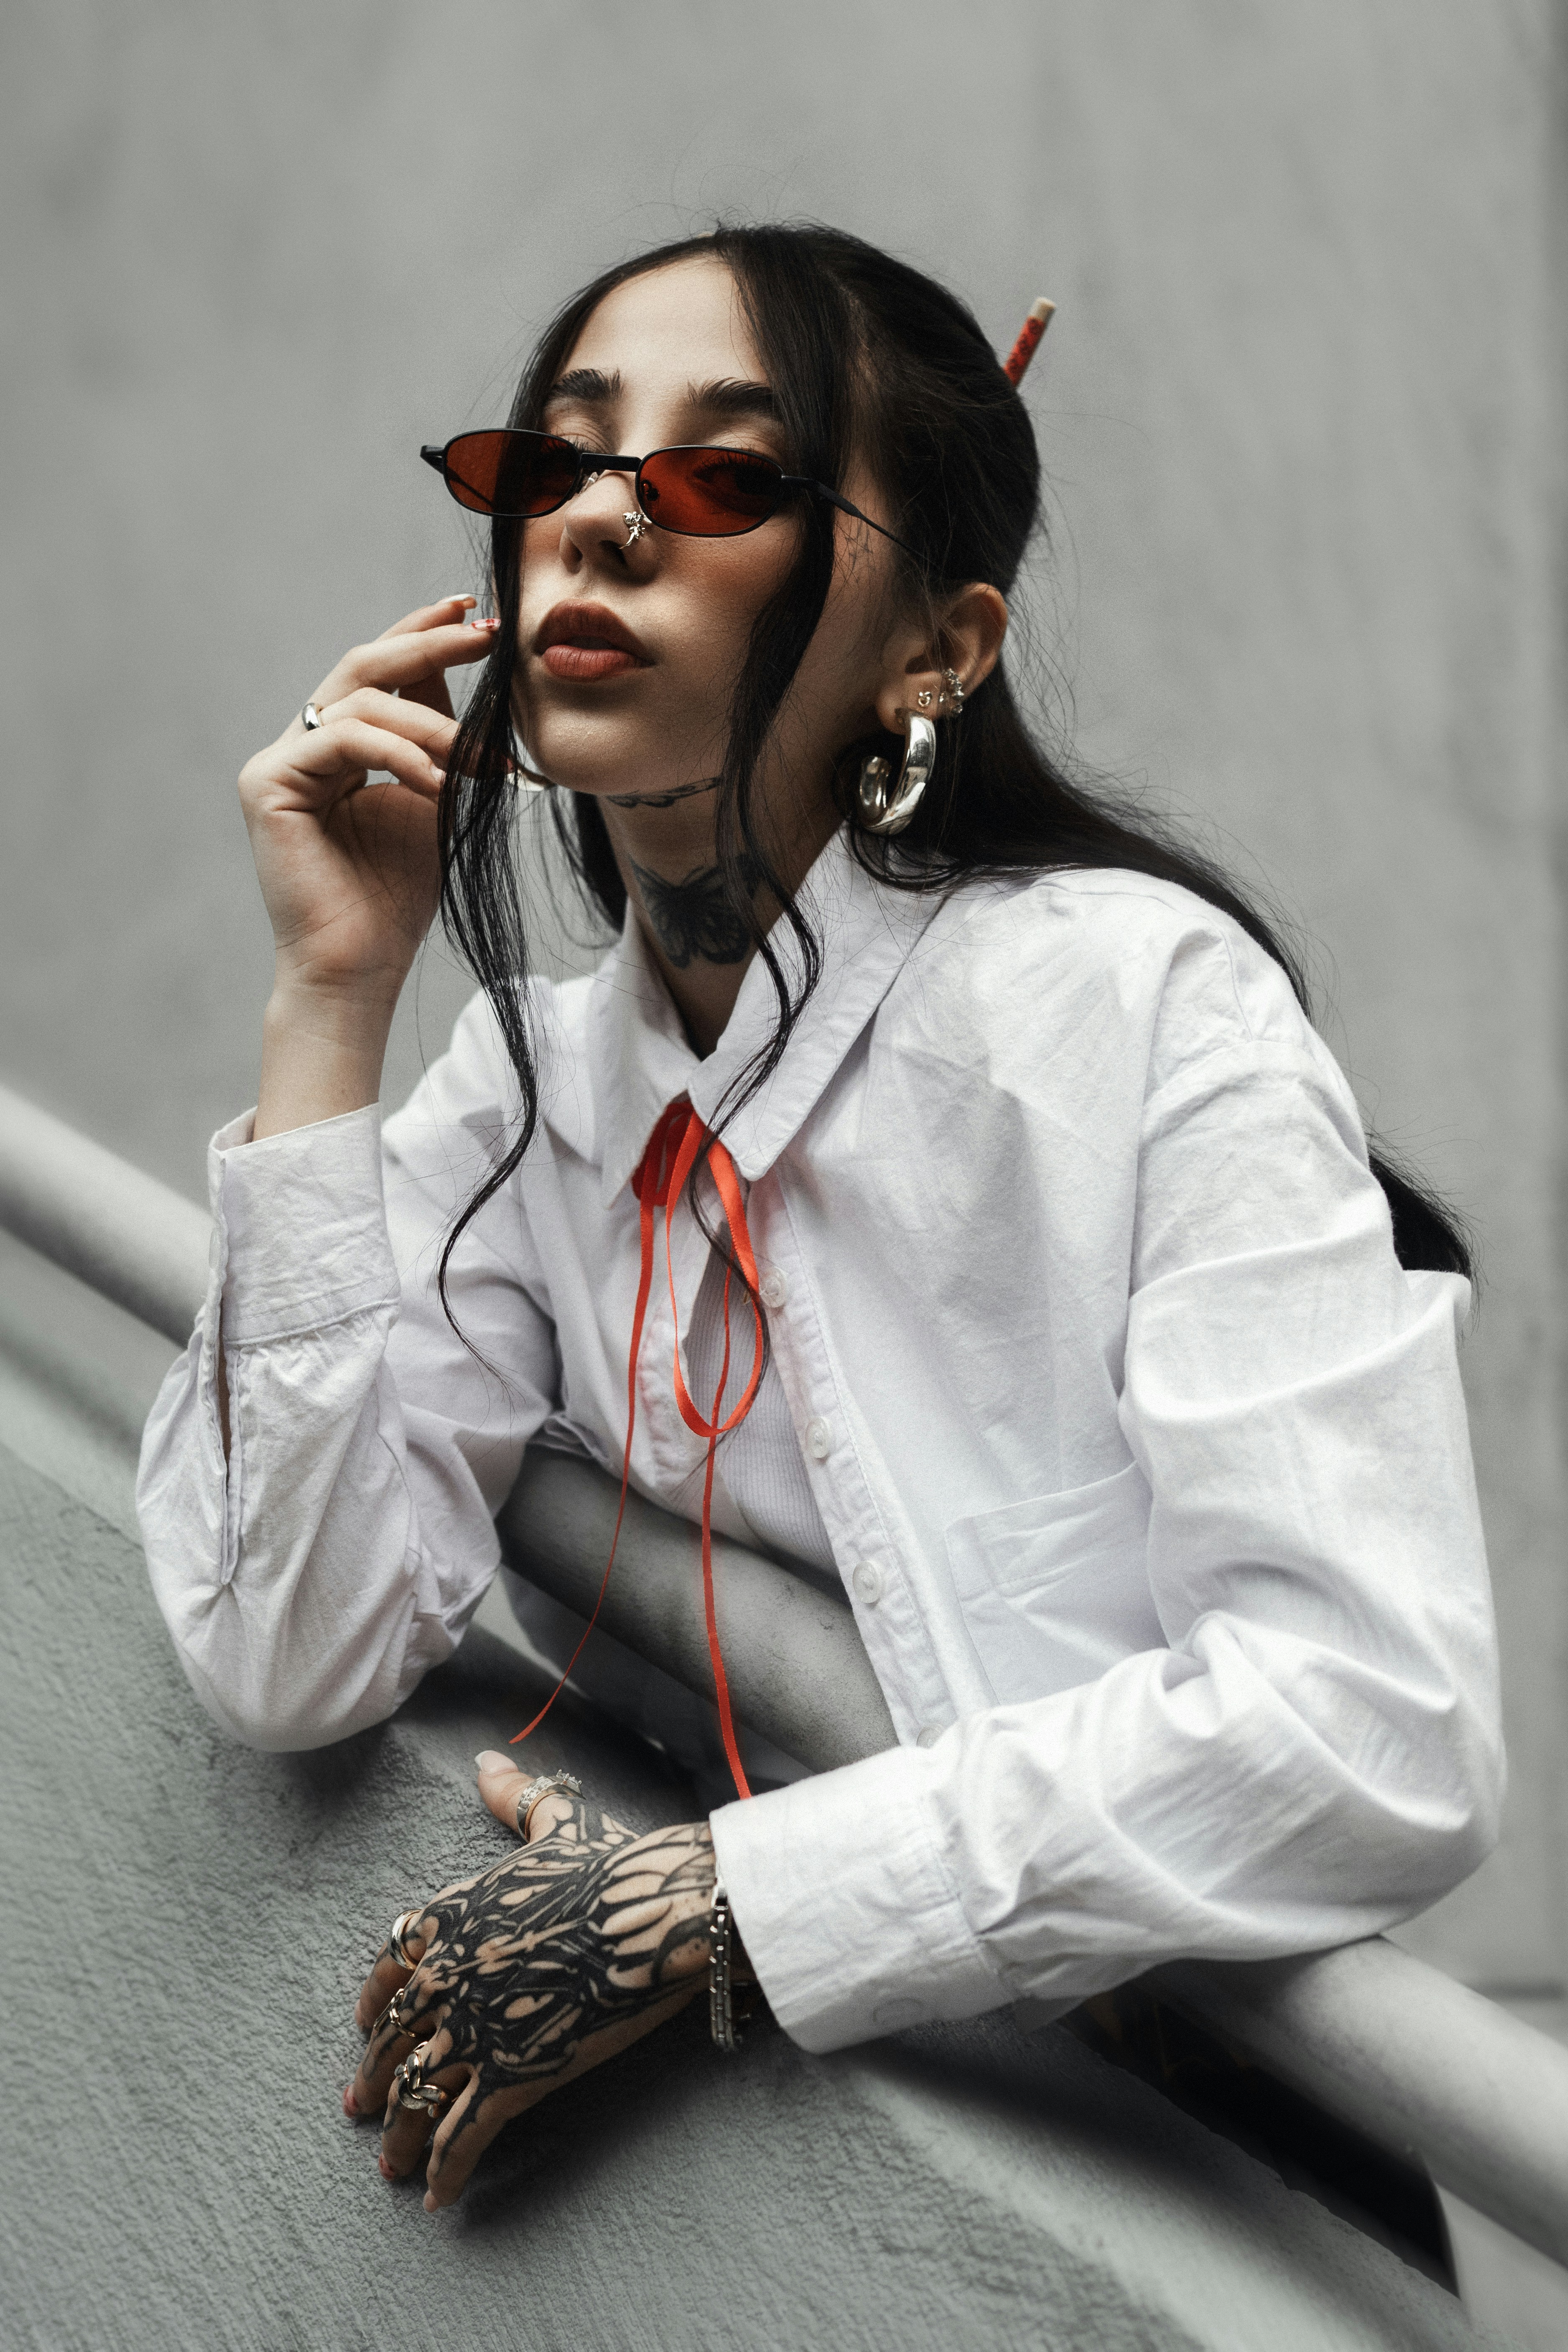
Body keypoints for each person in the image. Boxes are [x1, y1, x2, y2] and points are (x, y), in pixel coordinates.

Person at [136, 223, 1502, 2217]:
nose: (600, 525)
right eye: (555, 462)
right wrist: (333, 993)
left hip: (1204, 2188)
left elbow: (1369, 1724)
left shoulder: (1129, 1014)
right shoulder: (527, 1106)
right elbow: (286, 1647)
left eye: (722, 479)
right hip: (822, 2192)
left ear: (937, 649)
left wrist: (730, 1902)